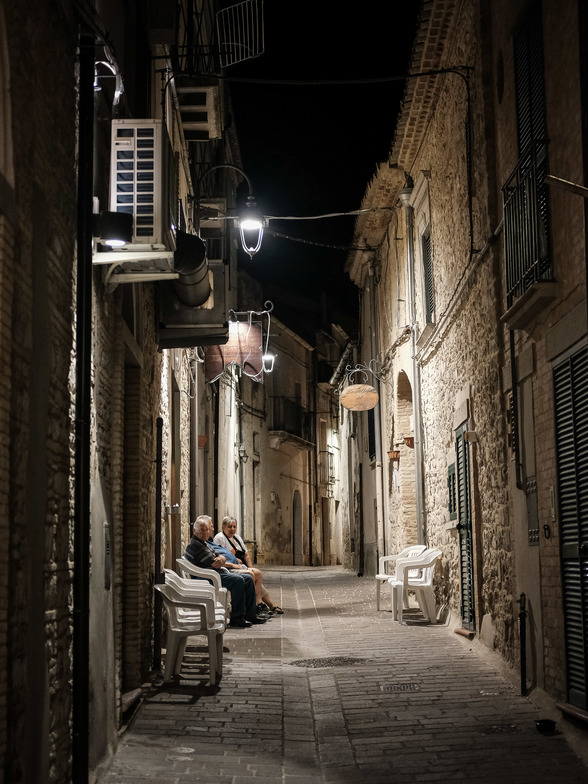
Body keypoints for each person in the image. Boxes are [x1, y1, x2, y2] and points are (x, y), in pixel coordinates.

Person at [184, 515, 265, 628]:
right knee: (238, 580)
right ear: (194, 531)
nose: (205, 532)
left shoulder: (204, 543)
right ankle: (237, 617)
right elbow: (214, 562)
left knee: (247, 578)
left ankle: (250, 614)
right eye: (202, 530)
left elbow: (219, 557)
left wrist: (221, 558)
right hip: (207, 577)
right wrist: (220, 559)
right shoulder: (196, 545)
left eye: (207, 529)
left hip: (216, 572)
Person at [214, 515, 283, 614]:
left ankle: (268, 605)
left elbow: (246, 555)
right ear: (223, 527)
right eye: (229, 527)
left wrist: (250, 567)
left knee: (255, 574)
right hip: (229, 568)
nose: (232, 529)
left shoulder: (237, 538)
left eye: (234, 526)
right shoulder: (219, 538)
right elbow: (220, 557)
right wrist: (235, 562)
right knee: (253, 575)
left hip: (241, 566)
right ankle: (259, 605)